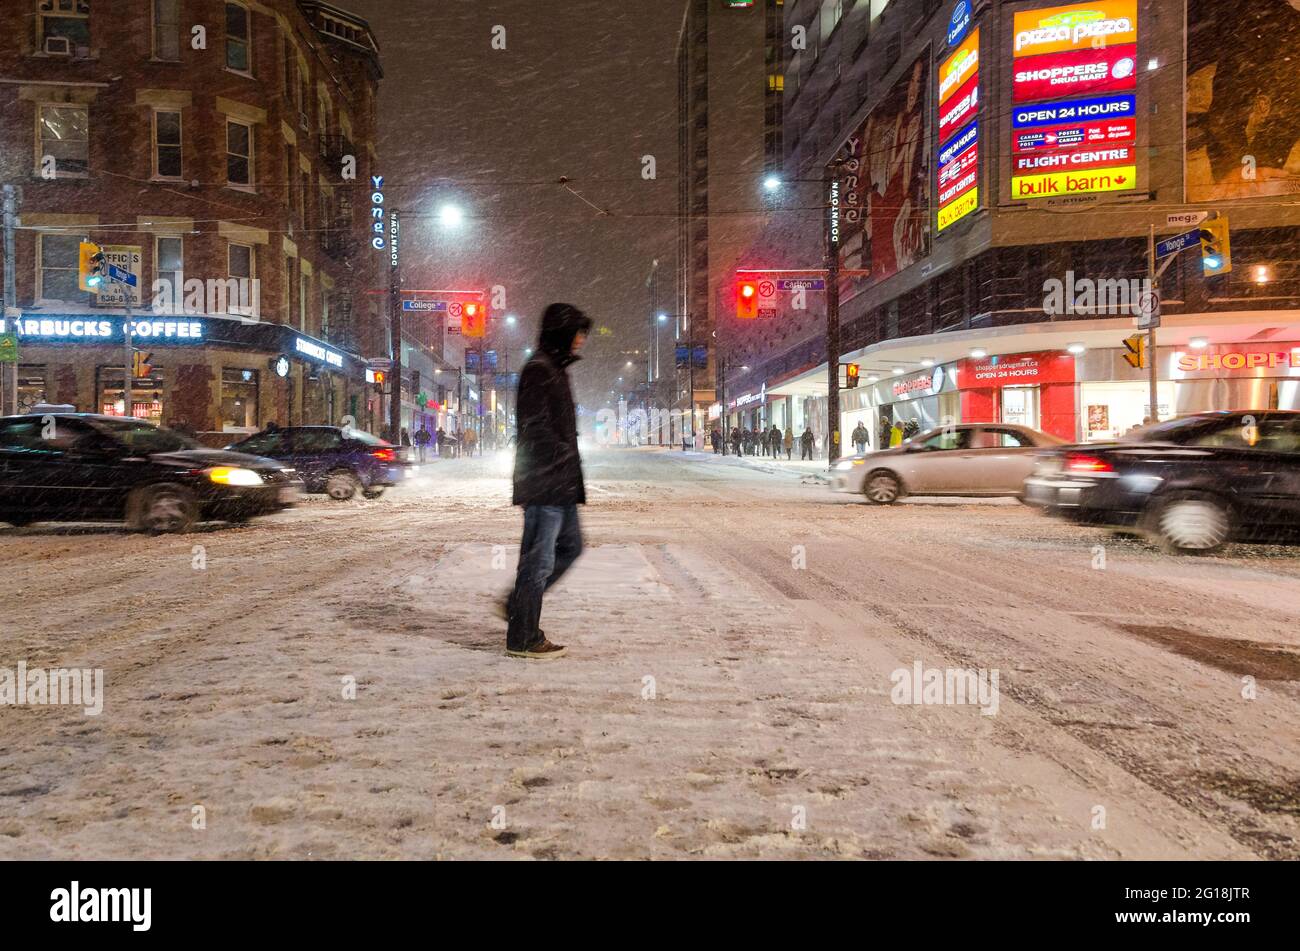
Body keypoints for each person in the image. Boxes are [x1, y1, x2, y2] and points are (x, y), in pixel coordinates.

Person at [503, 303, 592, 660]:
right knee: (538, 562)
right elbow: (534, 427)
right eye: (577, 333)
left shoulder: (554, 369)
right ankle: (523, 636)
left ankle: (517, 606)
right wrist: (561, 455)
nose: (581, 340)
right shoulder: (539, 370)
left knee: (571, 548)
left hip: (561, 484)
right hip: (544, 483)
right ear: (561, 333)